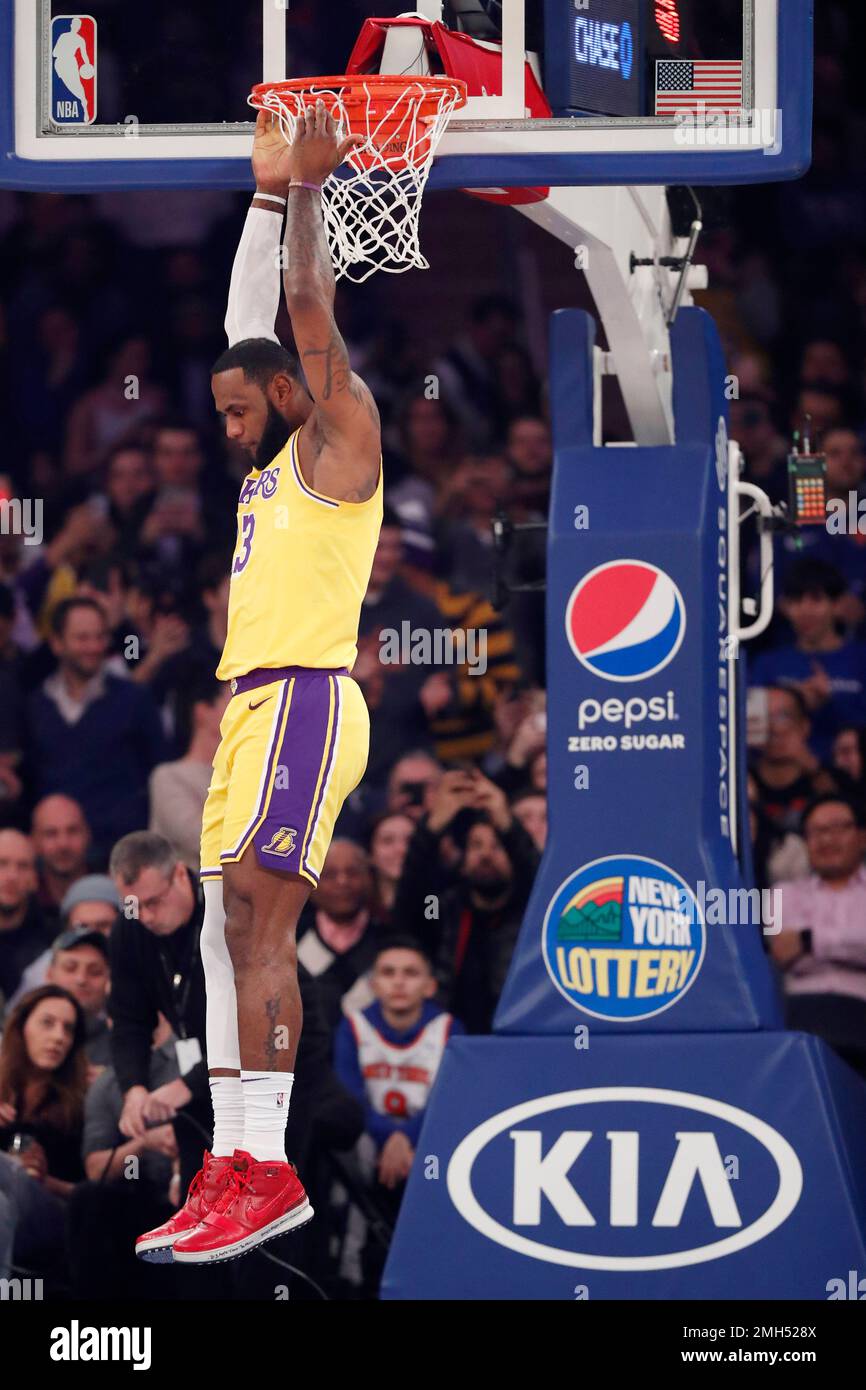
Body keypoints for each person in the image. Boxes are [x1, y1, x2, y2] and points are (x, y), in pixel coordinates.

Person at [162, 103, 383, 1267]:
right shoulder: (265, 438)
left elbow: (296, 313)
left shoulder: (337, 430)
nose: (228, 426)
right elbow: (252, 323)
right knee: (220, 928)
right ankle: (232, 1157)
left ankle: (272, 1165)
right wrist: (259, 193)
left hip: (302, 693)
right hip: (248, 703)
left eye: (242, 408)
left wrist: (305, 186)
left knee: (262, 927)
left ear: (293, 394)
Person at [107, 832, 363, 1266]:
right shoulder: (131, 931)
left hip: (283, 1069)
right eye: (133, 905)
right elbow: (129, 1020)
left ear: (179, 876)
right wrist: (133, 1086)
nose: (145, 916)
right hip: (212, 1080)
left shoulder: (230, 911)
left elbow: (269, 1017)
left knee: (268, 1220)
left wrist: (186, 1085)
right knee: (202, 1209)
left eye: (153, 902)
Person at [392, 769, 540, 1032]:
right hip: (450, 1042)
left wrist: (506, 821)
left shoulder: (529, 909)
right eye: (475, 845)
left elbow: (538, 878)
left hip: (517, 1036)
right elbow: (414, 899)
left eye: (497, 846)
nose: (486, 855)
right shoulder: (442, 910)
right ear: (462, 858)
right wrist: (431, 828)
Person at [25, 597, 165, 862]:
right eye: (82, 638)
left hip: (122, 856)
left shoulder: (135, 699)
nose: (93, 646)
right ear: (56, 643)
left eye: (100, 637)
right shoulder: (34, 706)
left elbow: (160, 770)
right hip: (52, 858)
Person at [771, 796, 866, 1079]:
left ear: (861, 836)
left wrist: (809, 940)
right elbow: (784, 952)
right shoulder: (783, 894)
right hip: (804, 1014)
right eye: (817, 832)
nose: (827, 840)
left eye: (838, 828)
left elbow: (797, 947)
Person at [0, 985, 87, 1281]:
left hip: (53, 1216)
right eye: (47, 1023)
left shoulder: (83, 1100)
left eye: (68, 1029)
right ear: (21, 1026)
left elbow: (93, 1194)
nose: (58, 1037)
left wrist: (45, 1180)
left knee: (8, 1171)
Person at [748, 560, 866, 759]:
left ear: (837, 605)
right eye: (796, 600)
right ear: (784, 606)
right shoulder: (767, 664)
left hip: (850, 781)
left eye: (816, 599)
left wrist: (830, 703)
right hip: (783, 778)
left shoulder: (860, 659)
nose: (805, 610)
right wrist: (795, 704)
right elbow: (750, 732)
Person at [149, 674, 231, 871]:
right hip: (194, 893)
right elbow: (203, 838)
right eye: (236, 700)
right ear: (203, 711)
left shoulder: (250, 772)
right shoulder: (168, 777)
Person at [0, 829, 53, 1009]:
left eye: (23, 866)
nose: (12, 876)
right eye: (2, 864)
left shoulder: (52, 941)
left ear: (35, 878)